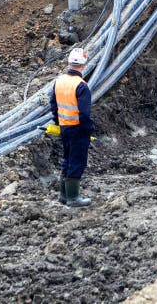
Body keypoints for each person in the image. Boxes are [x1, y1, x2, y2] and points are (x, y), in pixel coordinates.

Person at [49, 48, 94, 208]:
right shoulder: (81, 86)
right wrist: (88, 129)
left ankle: (63, 195)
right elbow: (84, 113)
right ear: (83, 65)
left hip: (64, 127)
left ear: (69, 63)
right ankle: (73, 197)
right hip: (77, 129)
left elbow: (54, 105)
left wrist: (58, 122)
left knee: (67, 159)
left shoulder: (59, 81)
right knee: (77, 161)